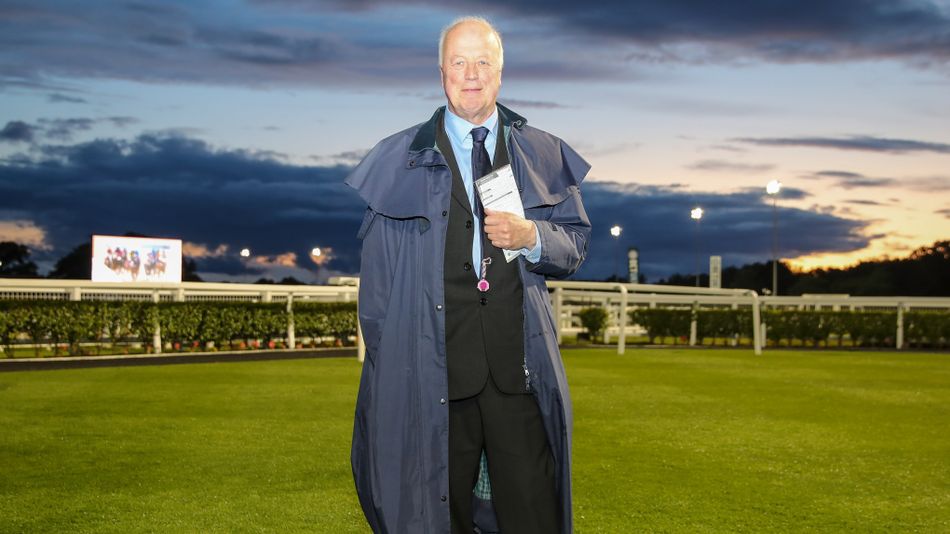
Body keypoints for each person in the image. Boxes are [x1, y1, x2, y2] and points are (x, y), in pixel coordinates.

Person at [345, 16, 591, 534]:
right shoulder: (398, 159)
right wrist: (394, 364)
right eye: (459, 62)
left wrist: (533, 237)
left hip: (517, 374)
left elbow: (575, 245)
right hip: (434, 373)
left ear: (500, 71)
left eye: (483, 61)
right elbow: (378, 293)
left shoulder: (541, 152)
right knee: (436, 516)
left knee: (535, 515)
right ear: (442, 73)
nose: (471, 74)